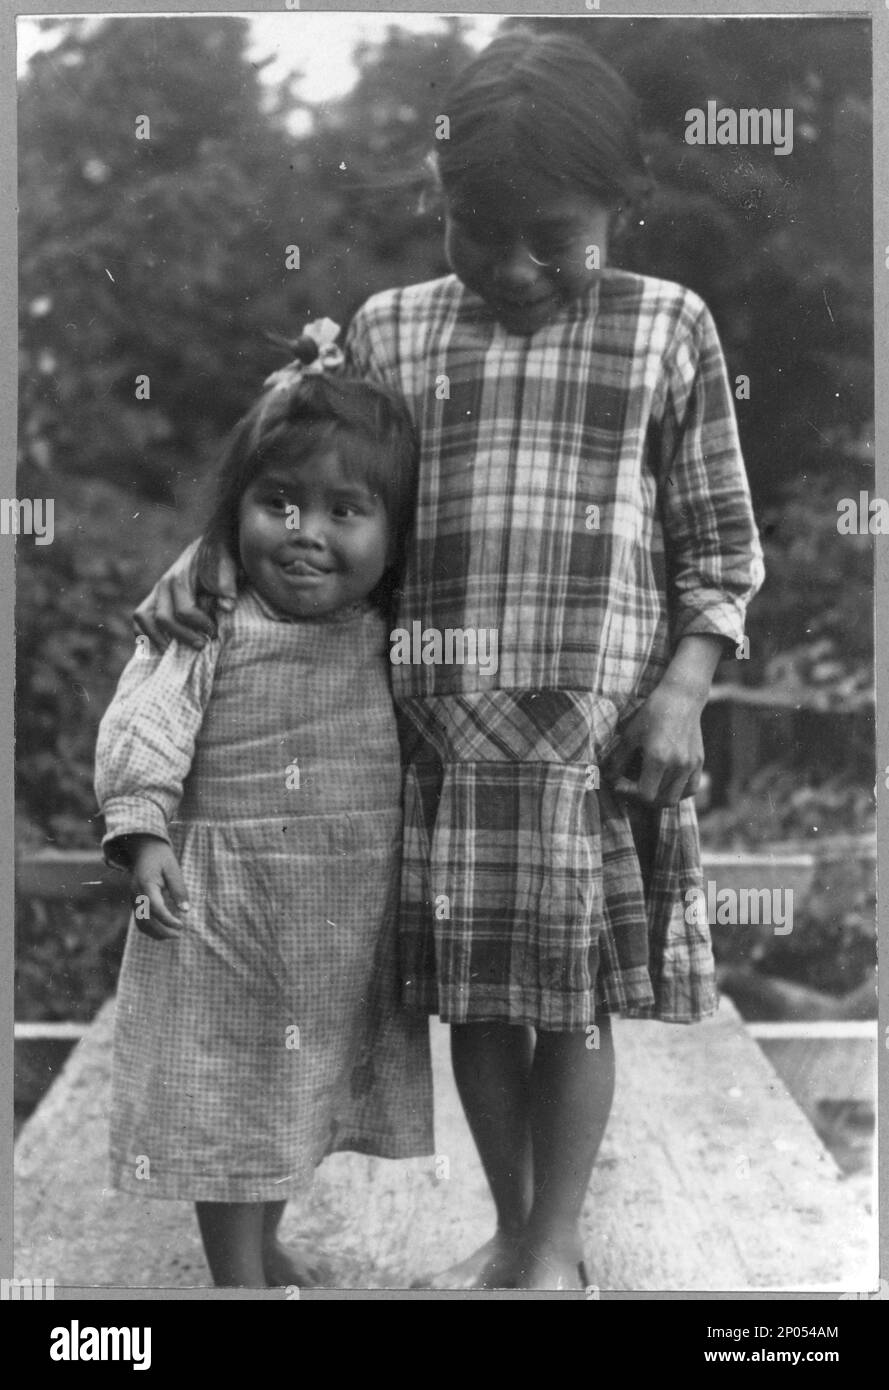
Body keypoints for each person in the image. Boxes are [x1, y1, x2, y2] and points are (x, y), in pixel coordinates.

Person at [134, 31, 765, 1291]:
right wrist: (217, 571)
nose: (518, 266)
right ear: (438, 203)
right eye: (483, 232)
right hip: (438, 739)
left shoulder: (665, 328)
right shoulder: (392, 331)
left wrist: (684, 691)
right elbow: (325, 505)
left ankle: (555, 1240)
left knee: (574, 1002)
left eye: (554, 234)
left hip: (596, 746)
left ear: (620, 206)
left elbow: (721, 549)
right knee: (478, 1001)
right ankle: (510, 1220)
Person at [95, 325, 433, 1288]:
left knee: (296, 1091)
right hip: (225, 911)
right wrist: (143, 830)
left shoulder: (386, 632)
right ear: (233, 510)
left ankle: (262, 1239)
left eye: (344, 511)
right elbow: (147, 722)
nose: (305, 532)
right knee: (228, 1089)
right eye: (277, 503)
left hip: (337, 915)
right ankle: (234, 1275)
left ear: (393, 532)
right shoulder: (211, 617)